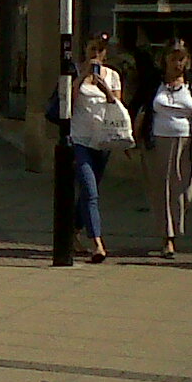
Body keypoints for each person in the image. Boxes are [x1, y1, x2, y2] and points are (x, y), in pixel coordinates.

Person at [135, 40, 192, 259]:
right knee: (161, 189)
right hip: (157, 141)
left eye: (181, 59)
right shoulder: (154, 82)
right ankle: (167, 238)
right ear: (165, 60)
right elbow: (138, 108)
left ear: (187, 61)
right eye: (173, 58)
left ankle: (174, 229)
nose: (177, 64)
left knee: (183, 190)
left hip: (187, 142)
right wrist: (132, 137)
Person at [70, 33, 125, 262]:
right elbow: (68, 103)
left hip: (102, 141)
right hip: (80, 139)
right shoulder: (74, 73)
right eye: (92, 50)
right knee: (90, 192)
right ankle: (98, 244)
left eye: (100, 51)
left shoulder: (112, 76)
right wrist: (82, 77)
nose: (95, 55)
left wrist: (107, 91)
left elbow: (118, 106)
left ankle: (72, 231)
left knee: (87, 193)